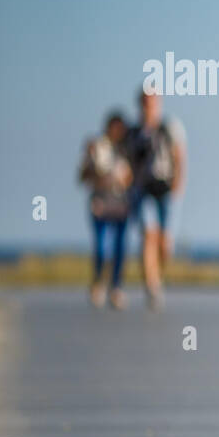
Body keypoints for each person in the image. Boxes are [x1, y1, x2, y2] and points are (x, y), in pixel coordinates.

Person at [125, 87, 186, 311]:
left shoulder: (169, 127)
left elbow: (180, 155)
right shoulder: (132, 133)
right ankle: (151, 285)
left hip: (167, 189)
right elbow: (127, 161)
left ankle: (158, 274)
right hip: (142, 189)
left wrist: (179, 184)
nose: (148, 106)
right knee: (148, 235)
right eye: (144, 102)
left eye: (152, 102)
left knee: (164, 243)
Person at [78, 112, 133, 309]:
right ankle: (98, 283)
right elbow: (82, 176)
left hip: (121, 204)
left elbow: (134, 177)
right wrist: (94, 168)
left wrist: (125, 178)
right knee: (102, 248)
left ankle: (116, 287)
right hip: (100, 204)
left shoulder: (128, 149)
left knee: (120, 248)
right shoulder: (97, 147)